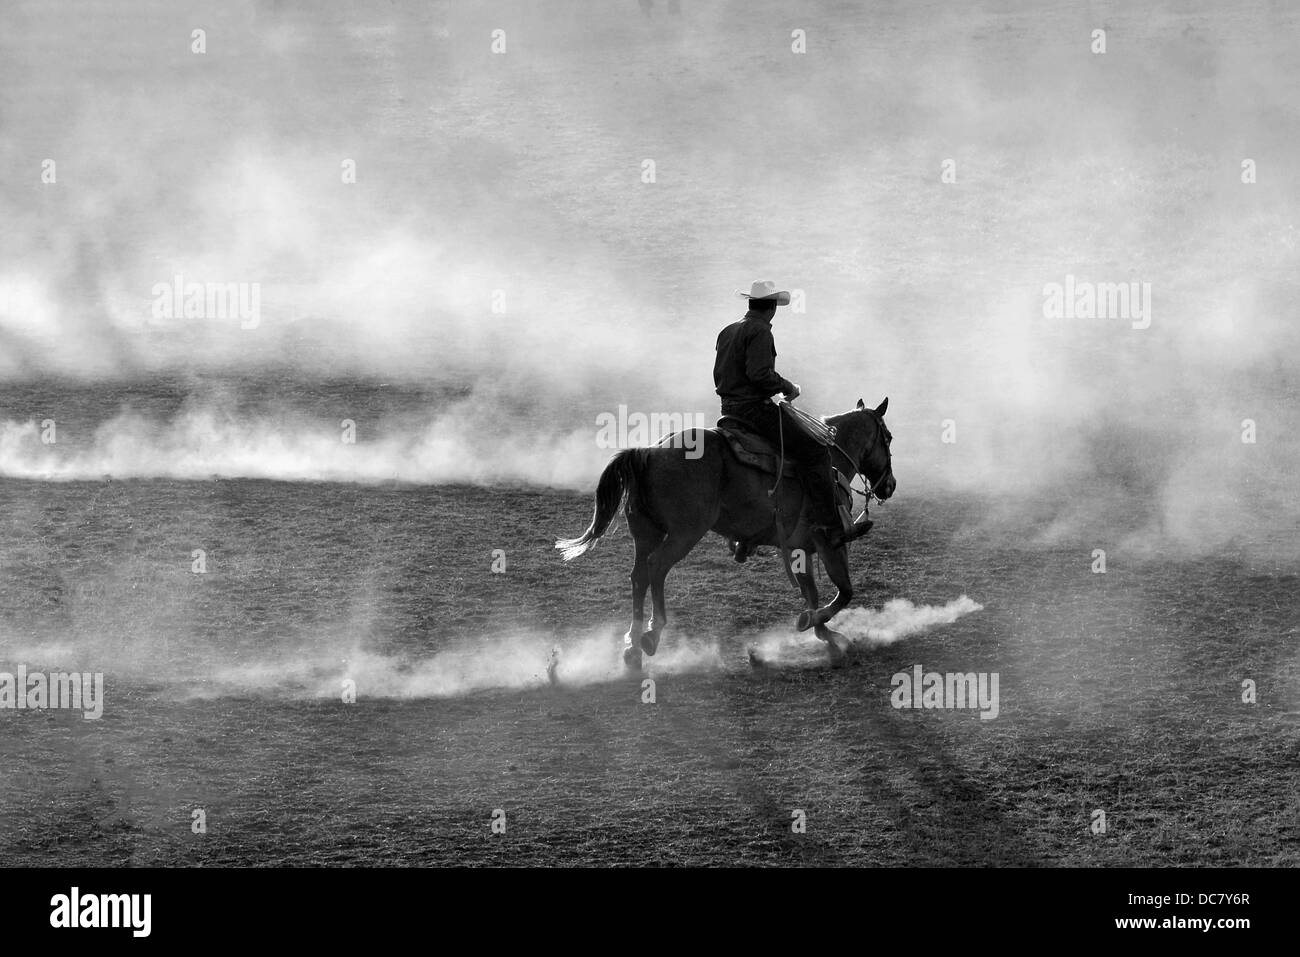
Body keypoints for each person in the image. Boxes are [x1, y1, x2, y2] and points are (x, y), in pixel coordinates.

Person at [713, 280, 869, 560]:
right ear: (772, 307)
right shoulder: (760, 331)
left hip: (728, 410)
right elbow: (759, 374)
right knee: (816, 451)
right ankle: (831, 527)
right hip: (754, 410)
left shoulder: (728, 330)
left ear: (751, 304)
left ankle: (749, 534)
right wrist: (787, 387)